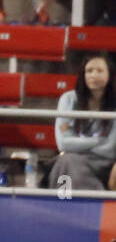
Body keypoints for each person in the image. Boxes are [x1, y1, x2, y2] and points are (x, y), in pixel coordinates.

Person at [48, 54, 116, 193]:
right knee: (67, 161)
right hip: (73, 159)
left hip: (104, 163)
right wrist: (99, 140)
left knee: (68, 161)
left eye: (99, 71)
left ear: (110, 75)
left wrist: (78, 145)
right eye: (89, 71)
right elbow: (63, 144)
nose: (93, 75)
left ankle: (67, 200)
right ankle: (93, 197)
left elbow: (110, 149)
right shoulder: (68, 99)